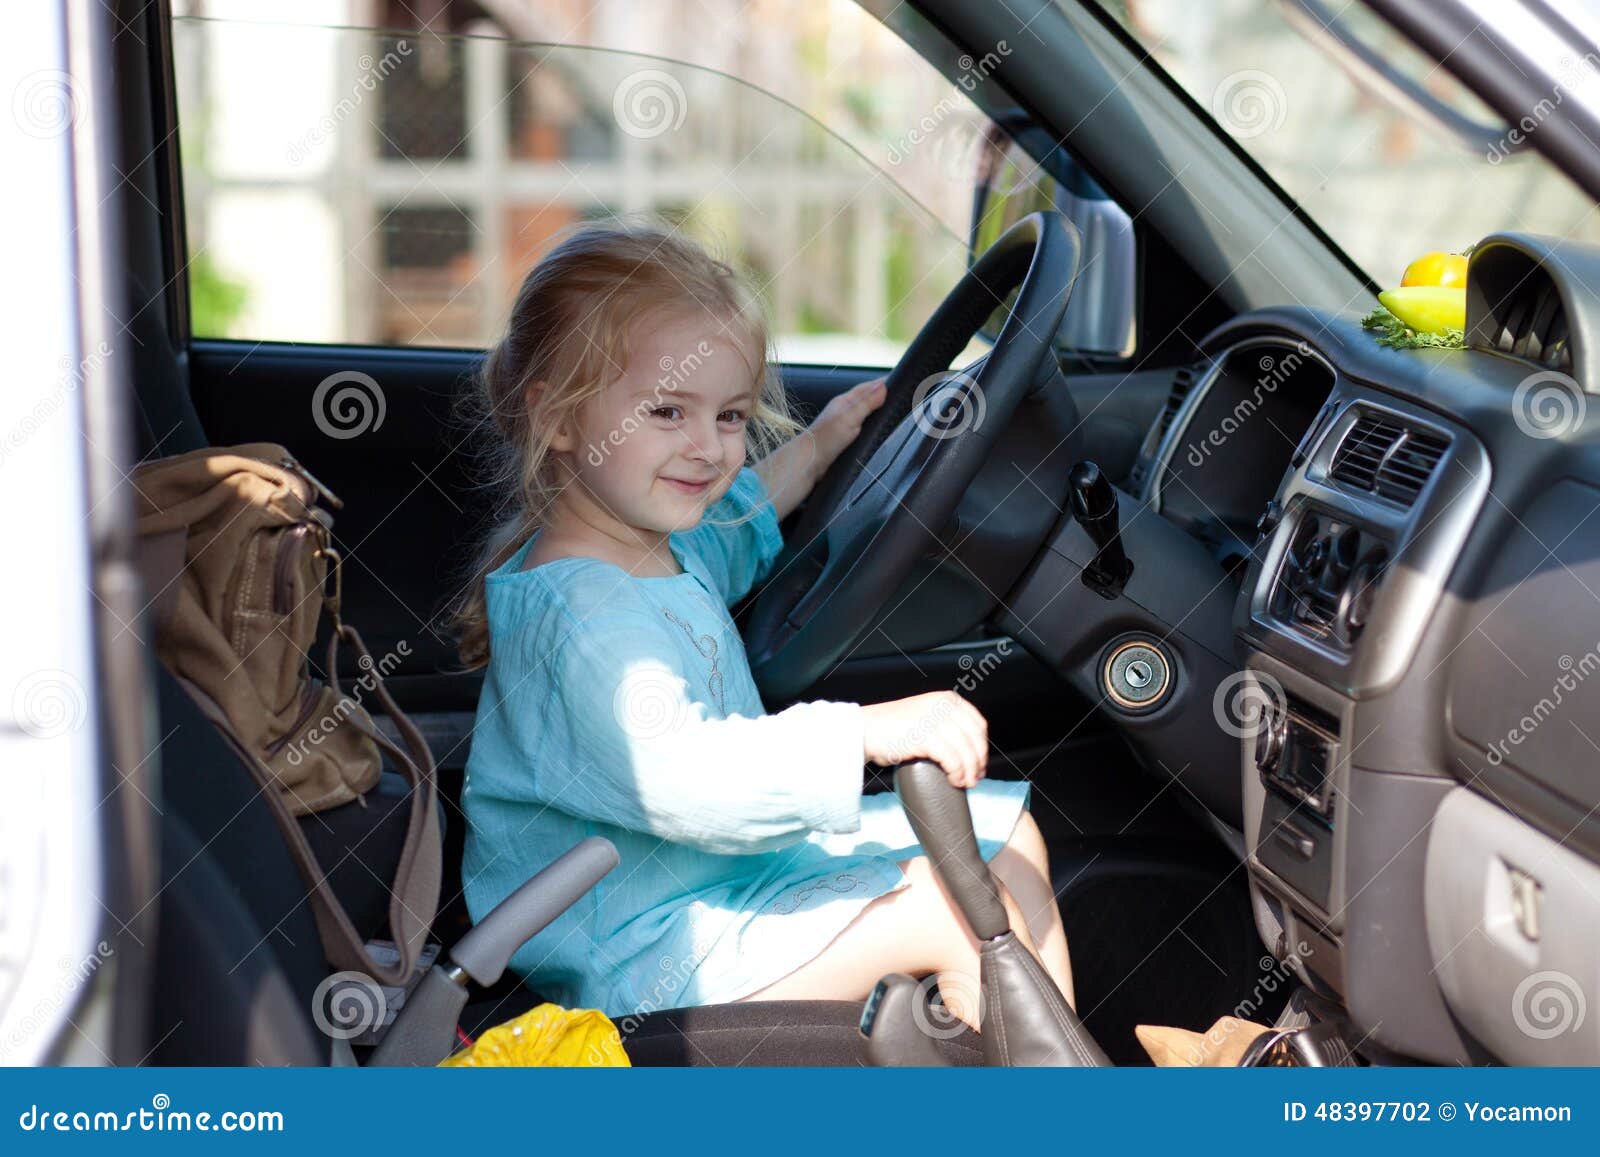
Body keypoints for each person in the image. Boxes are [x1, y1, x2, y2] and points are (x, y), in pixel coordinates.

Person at [451, 219, 1075, 1034]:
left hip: (721, 878)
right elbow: (685, 777)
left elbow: (734, 523)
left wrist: (819, 450)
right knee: (951, 909)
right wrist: (863, 733)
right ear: (559, 419)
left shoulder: (653, 542)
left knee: (1007, 836)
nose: (709, 449)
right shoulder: (587, 619)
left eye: (732, 416)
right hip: (640, 945)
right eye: (668, 410)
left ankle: (1062, 1063)